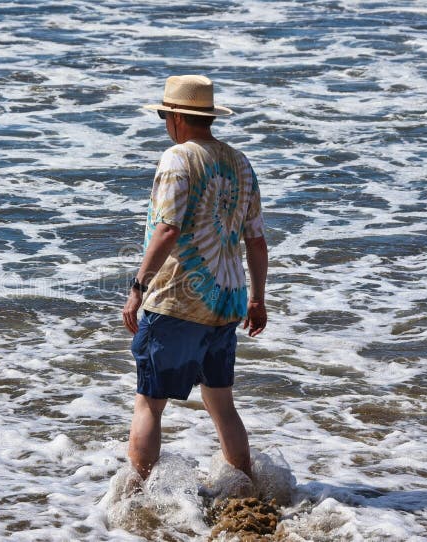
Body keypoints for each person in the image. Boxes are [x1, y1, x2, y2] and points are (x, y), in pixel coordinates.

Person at [122, 75, 268, 482]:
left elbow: (167, 230)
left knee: (150, 403)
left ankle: (134, 499)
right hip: (226, 299)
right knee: (221, 402)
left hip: (177, 298)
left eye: (165, 116)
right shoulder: (240, 162)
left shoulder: (177, 158)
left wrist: (138, 289)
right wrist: (257, 299)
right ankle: (244, 485)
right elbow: (256, 240)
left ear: (175, 118)